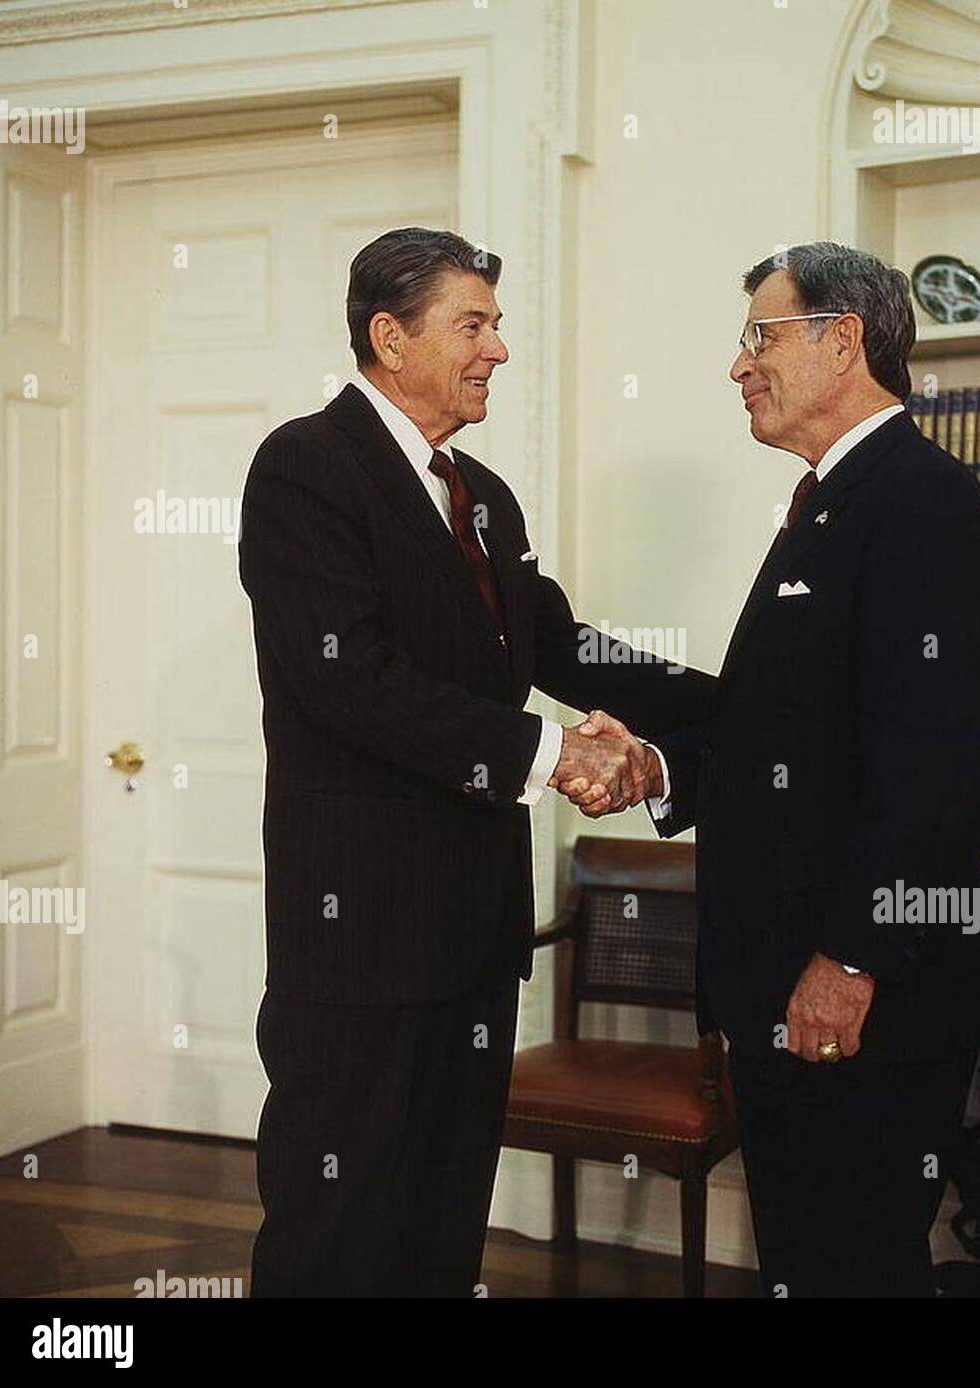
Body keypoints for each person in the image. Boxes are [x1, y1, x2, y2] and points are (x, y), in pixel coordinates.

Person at [238, 227, 716, 1296]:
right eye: (474, 324)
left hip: (472, 929)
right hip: (357, 937)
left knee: (441, 1222)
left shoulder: (484, 494)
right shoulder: (305, 468)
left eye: (497, 324)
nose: (499, 347)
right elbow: (348, 679)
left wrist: (744, 710)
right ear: (388, 335)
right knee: (339, 1224)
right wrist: (559, 754)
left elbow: (564, 644)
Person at [560, 242, 980, 1297]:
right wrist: (655, 765)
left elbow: (929, 760)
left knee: (852, 1263)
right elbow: (777, 728)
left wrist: (848, 963)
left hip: (862, 991)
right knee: (809, 1261)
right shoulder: (828, 501)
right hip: (789, 979)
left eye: (758, 337)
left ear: (841, 339)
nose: (737, 366)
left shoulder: (920, 500)